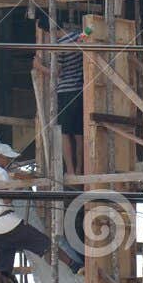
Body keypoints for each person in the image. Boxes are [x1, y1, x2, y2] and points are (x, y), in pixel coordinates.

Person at [32, 13, 86, 177]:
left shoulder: (60, 45)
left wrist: (39, 67)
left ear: (49, 31)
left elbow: (57, 73)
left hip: (66, 91)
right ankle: (79, 169)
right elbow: (90, 30)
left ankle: (70, 169)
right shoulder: (77, 36)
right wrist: (90, 28)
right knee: (79, 134)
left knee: (64, 133)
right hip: (81, 90)